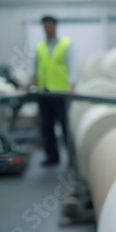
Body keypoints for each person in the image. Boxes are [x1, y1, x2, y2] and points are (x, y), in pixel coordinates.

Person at [30, 15, 75, 167]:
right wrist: (32, 81)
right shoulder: (40, 47)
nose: (47, 28)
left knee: (65, 126)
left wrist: (72, 84)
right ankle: (52, 156)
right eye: (44, 26)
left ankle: (71, 158)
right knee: (46, 126)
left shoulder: (65, 44)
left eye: (49, 25)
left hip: (61, 93)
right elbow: (36, 68)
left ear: (55, 26)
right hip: (44, 92)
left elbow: (72, 65)